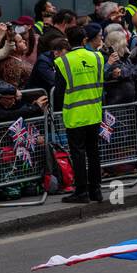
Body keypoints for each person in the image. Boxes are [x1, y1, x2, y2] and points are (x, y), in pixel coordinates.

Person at [53, 23, 106, 204]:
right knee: (93, 153)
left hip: (75, 115)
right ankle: (96, 191)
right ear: (84, 40)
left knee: (78, 154)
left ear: (68, 41)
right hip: (94, 112)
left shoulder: (63, 61)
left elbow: (59, 92)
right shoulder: (98, 57)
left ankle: (81, 192)